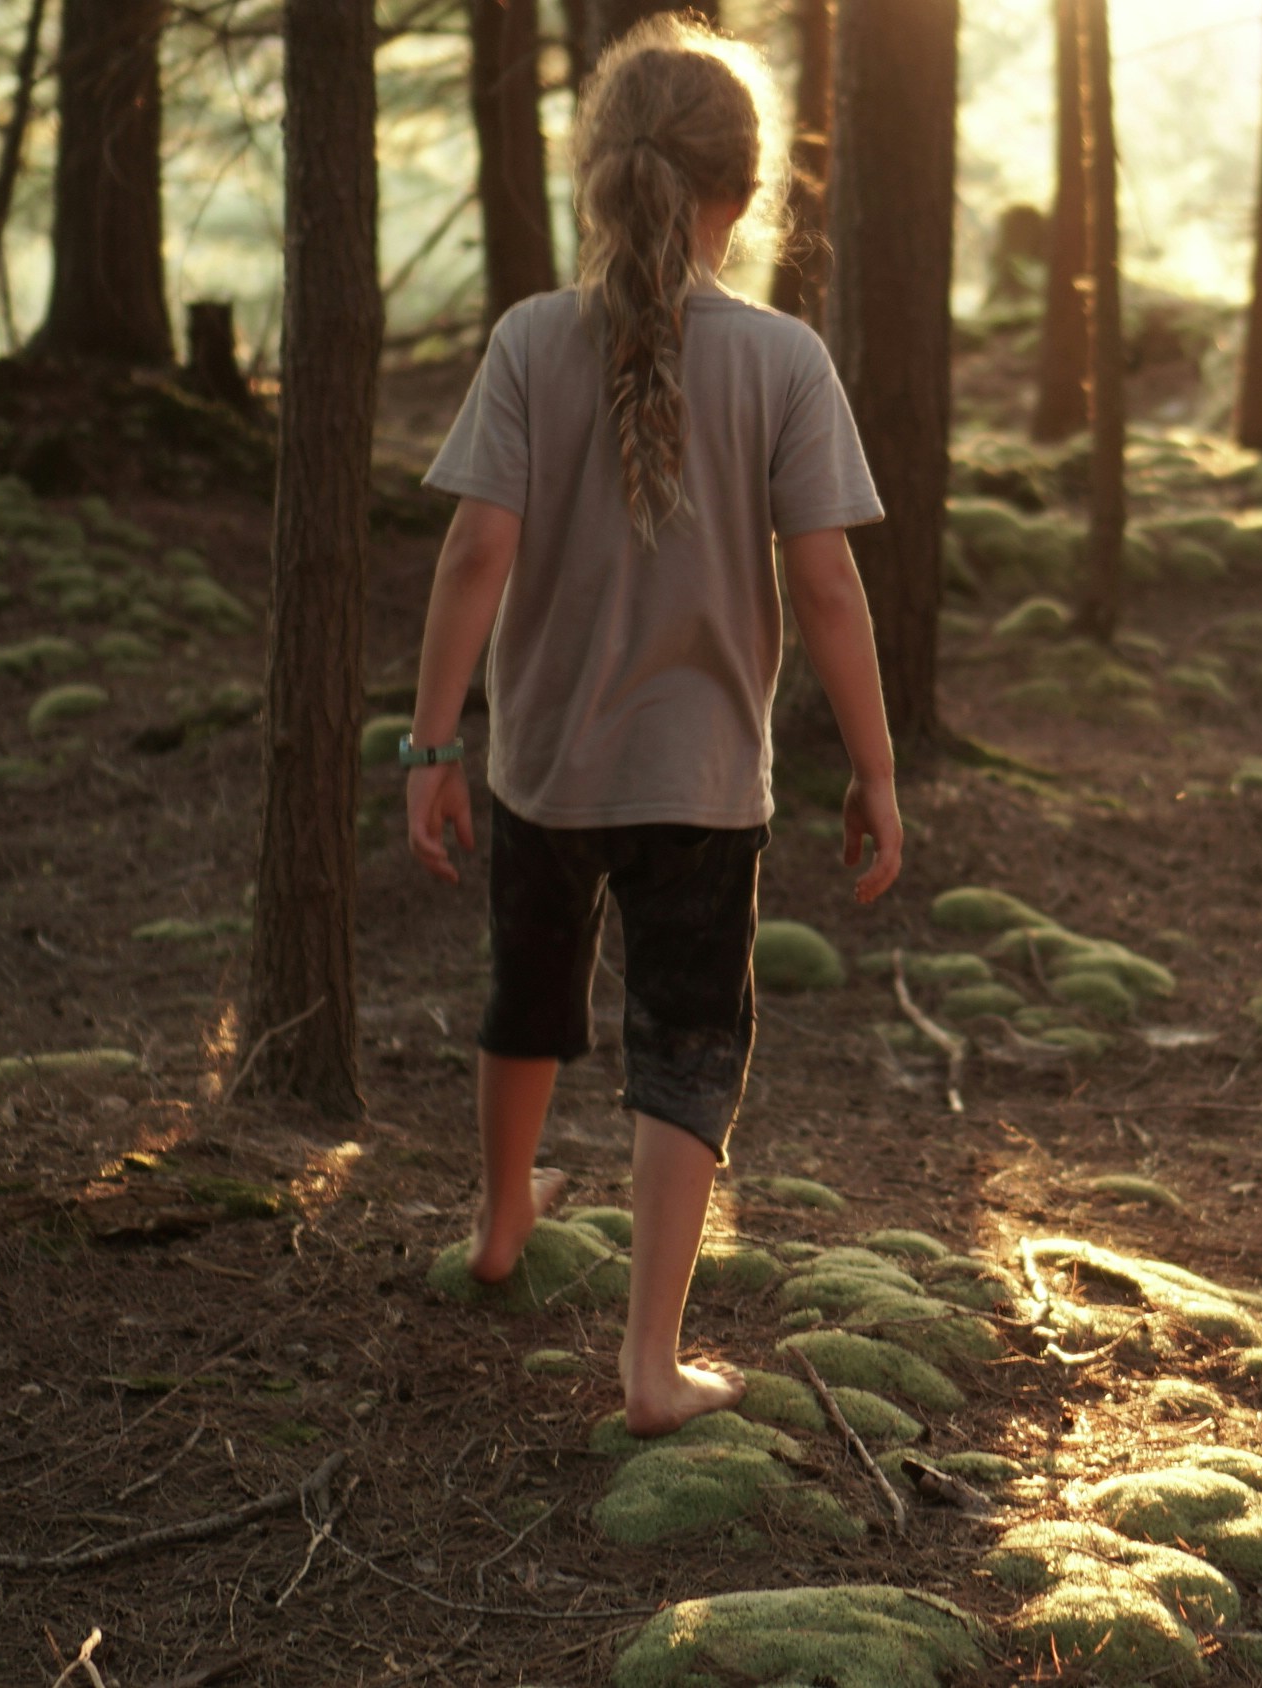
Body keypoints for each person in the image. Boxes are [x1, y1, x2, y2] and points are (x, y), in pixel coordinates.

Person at [402, 18, 900, 1434]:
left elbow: (472, 558)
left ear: (598, 177)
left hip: (542, 764)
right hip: (702, 777)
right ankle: (648, 1366)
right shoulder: (783, 360)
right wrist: (871, 767)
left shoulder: (527, 341)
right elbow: (829, 586)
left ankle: (502, 1226)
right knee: (686, 1038)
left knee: (529, 996)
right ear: (743, 197)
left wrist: (433, 745)